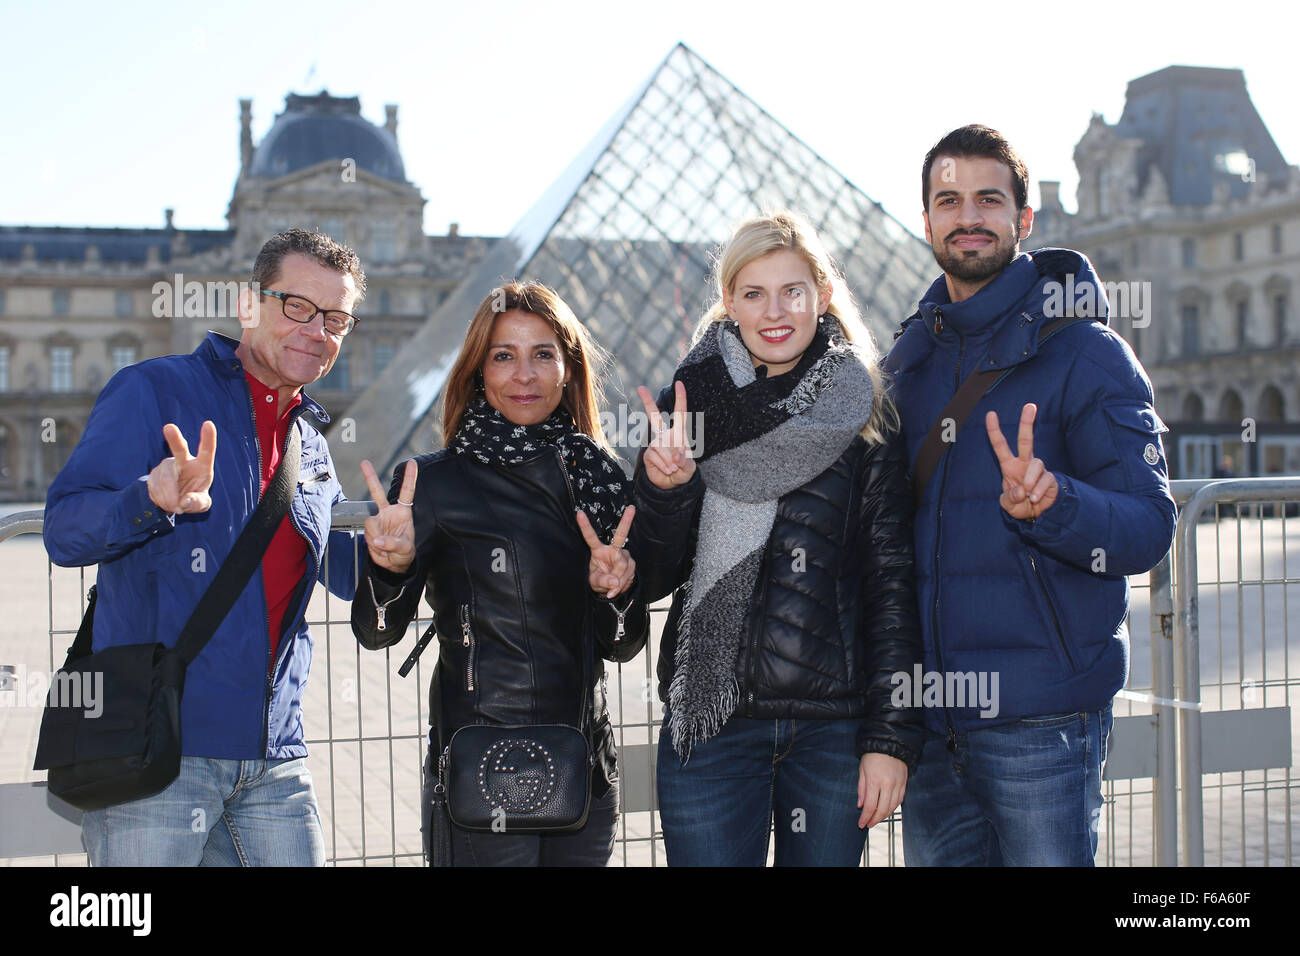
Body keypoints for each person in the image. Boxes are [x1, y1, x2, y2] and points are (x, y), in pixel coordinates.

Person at [886, 125, 1178, 866]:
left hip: (1040, 717)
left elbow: (1149, 526)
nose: (968, 216)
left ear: (1024, 220)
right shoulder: (905, 366)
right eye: (948, 200)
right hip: (926, 720)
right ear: (925, 221)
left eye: (990, 197)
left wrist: (1057, 507)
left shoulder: (1087, 353)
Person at [43, 228, 368, 866]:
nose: (316, 330)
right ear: (250, 306)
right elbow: (64, 531)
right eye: (295, 306)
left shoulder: (312, 444)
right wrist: (149, 499)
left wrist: (399, 551)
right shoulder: (153, 391)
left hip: (275, 755)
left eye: (335, 318)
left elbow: (340, 574)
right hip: (160, 746)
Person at [631, 210, 924, 867]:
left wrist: (890, 738)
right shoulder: (689, 409)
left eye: (792, 291)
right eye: (754, 293)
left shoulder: (867, 412)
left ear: (820, 295)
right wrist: (663, 490)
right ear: (729, 303)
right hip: (714, 725)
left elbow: (891, 583)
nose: (775, 312)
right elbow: (647, 576)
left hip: (834, 730)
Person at [350, 280, 649, 867]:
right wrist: (391, 569)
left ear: (568, 367)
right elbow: (376, 630)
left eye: (543, 354)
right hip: (482, 769)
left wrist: (617, 593)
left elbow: (622, 646)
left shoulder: (598, 480)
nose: (524, 375)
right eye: (503, 356)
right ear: (478, 371)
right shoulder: (431, 483)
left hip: (586, 764)